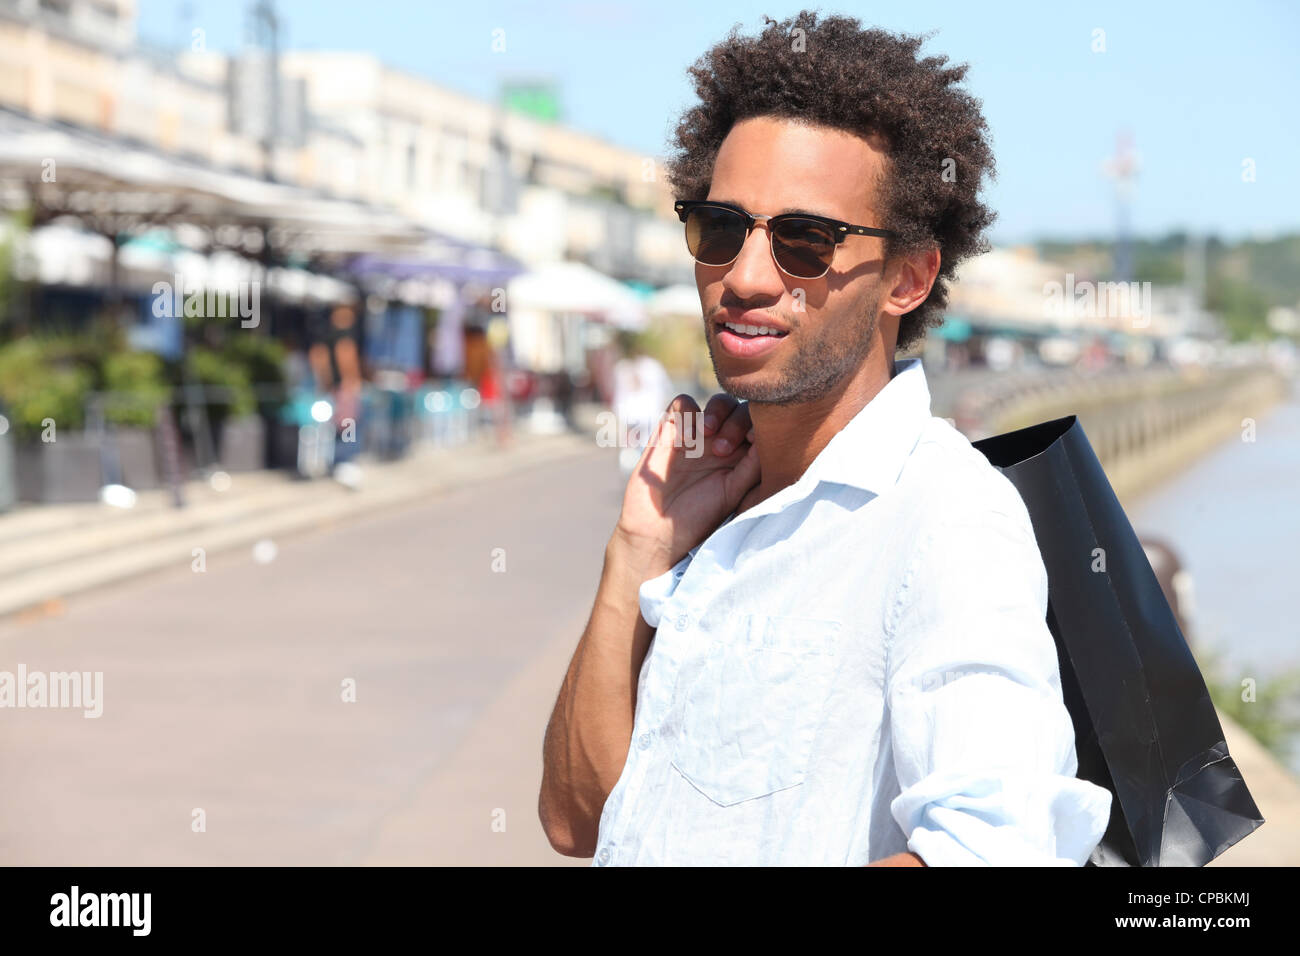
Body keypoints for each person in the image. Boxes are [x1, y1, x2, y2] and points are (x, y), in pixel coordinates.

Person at [539, 12, 1112, 867]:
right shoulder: (708, 515)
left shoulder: (944, 520)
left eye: (807, 241)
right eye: (720, 228)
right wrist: (637, 552)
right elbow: (578, 821)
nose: (745, 277)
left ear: (908, 277)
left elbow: (996, 850)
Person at [611, 330, 674, 474]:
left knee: (634, 444)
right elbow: (666, 389)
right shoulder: (652, 366)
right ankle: (641, 471)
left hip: (633, 412)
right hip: (648, 412)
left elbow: (618, 392)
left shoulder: (622, 367)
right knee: (647, 445)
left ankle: (635, 470)